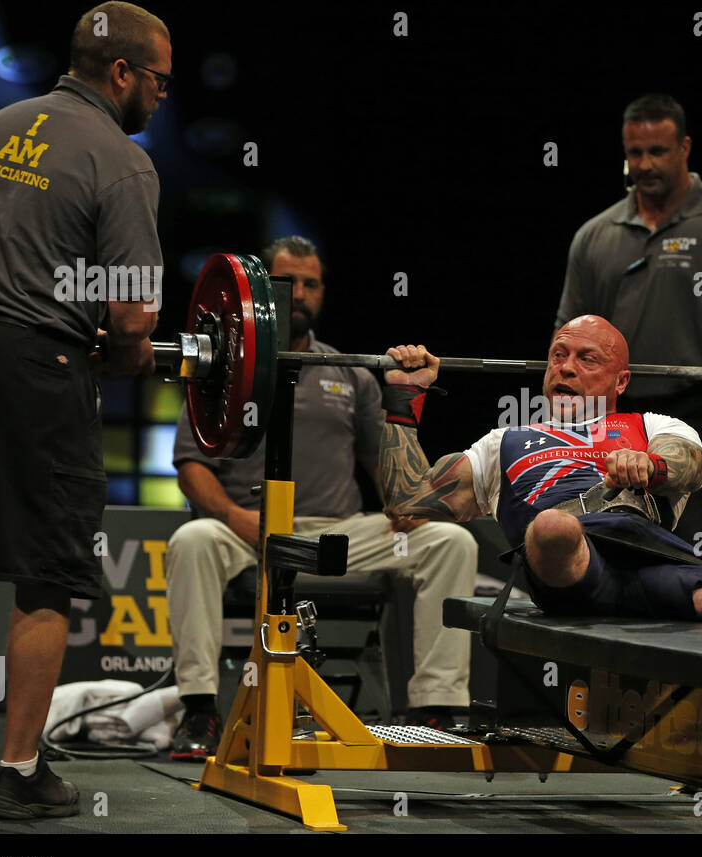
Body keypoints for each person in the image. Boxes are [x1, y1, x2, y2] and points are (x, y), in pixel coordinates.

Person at [0, 1, 169, 818]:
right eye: (158, 79)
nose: (161, 95)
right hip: (34, 366)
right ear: (121, 72)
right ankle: (18, 772)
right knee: (46, 572)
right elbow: (132, 314)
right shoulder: (122, 161)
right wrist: (132, 359)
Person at [165, 236, 477, 755]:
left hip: (336, 534)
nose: (302, 294)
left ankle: (437, 709)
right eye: (289, 283)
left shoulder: (350, 369)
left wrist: (403, 505)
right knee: (192, 539)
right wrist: (232, 515)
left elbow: (381, 458)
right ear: (264, 289)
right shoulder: (227, 368)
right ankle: (199, 712)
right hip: (249, 532)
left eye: (312, 283)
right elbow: (191, 466)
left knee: (449, 541)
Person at [376, 316, 702, 623]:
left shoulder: (652, 425)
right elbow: (407, 499)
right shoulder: (501, 443)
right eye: (558, 355)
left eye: (587, 359)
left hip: (645, 558)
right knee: (554, 528)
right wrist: (403, 399)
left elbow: (688, 464)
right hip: (567, 569)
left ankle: (654, 596)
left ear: (621, 381)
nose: (566, 368)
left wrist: (649, 464)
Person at [555, 93, 702, 566]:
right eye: (634, 152)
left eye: (657, 151)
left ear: (685, 147)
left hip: (700, 413)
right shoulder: (594, 235)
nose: (644, 164)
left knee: (699, 557)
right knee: (604, 546)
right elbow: (568, 335)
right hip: (614, 414)